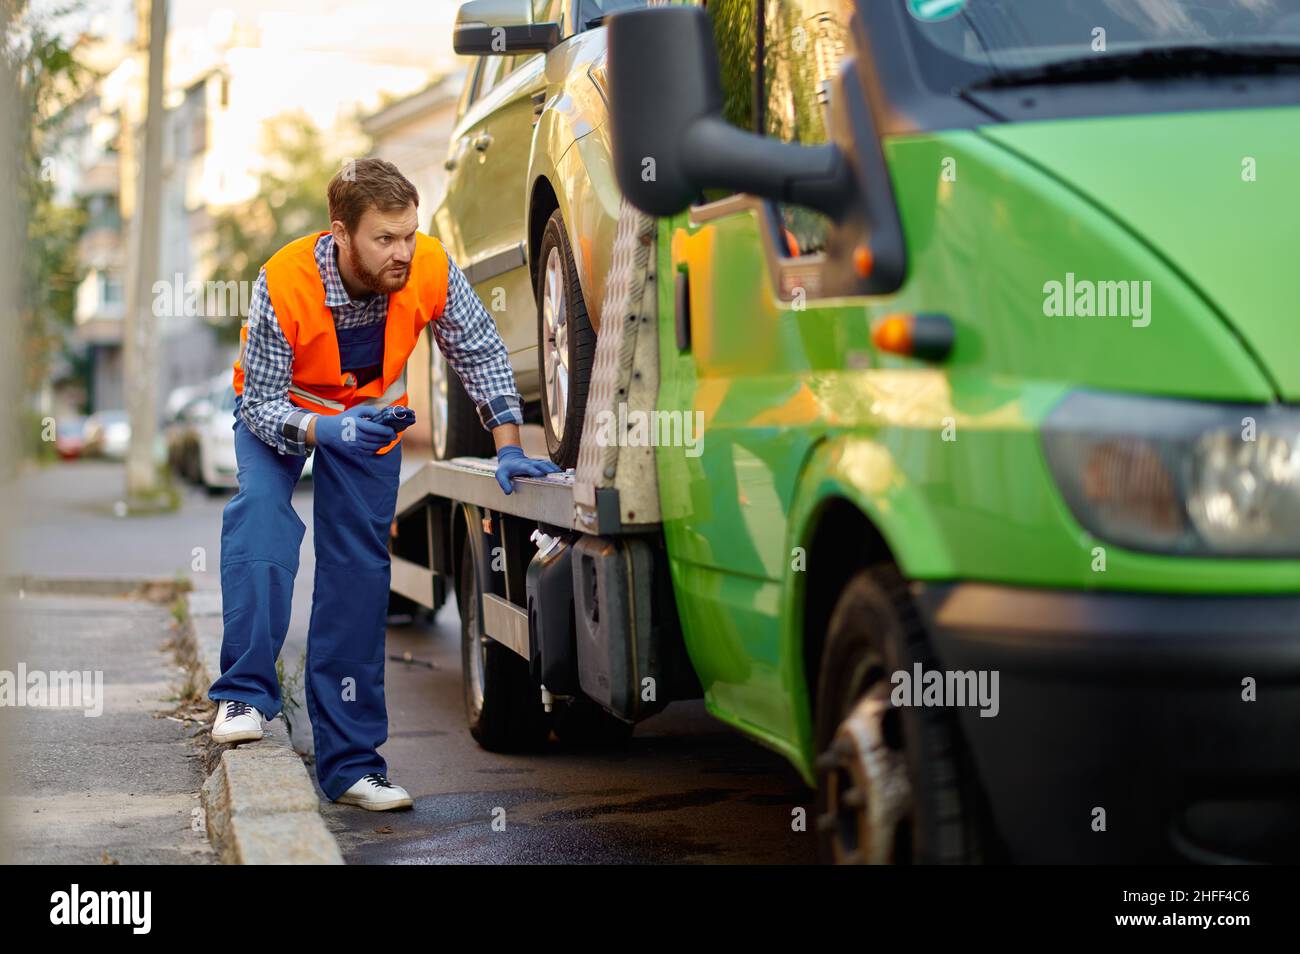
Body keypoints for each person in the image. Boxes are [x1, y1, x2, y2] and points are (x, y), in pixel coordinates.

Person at [207, 158, 560, 810]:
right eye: (385, 239)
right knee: (262, 517)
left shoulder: (427, 264)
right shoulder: (282, 282)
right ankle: (243, 694)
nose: (403, 251)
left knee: (358, 579)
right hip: (282, 417)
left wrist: (509, 443)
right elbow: (258, 405)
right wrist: (323, 431)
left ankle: (350, 768)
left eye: (409, 233)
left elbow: (478, 346)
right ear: (340, 233)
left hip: (369, 426)